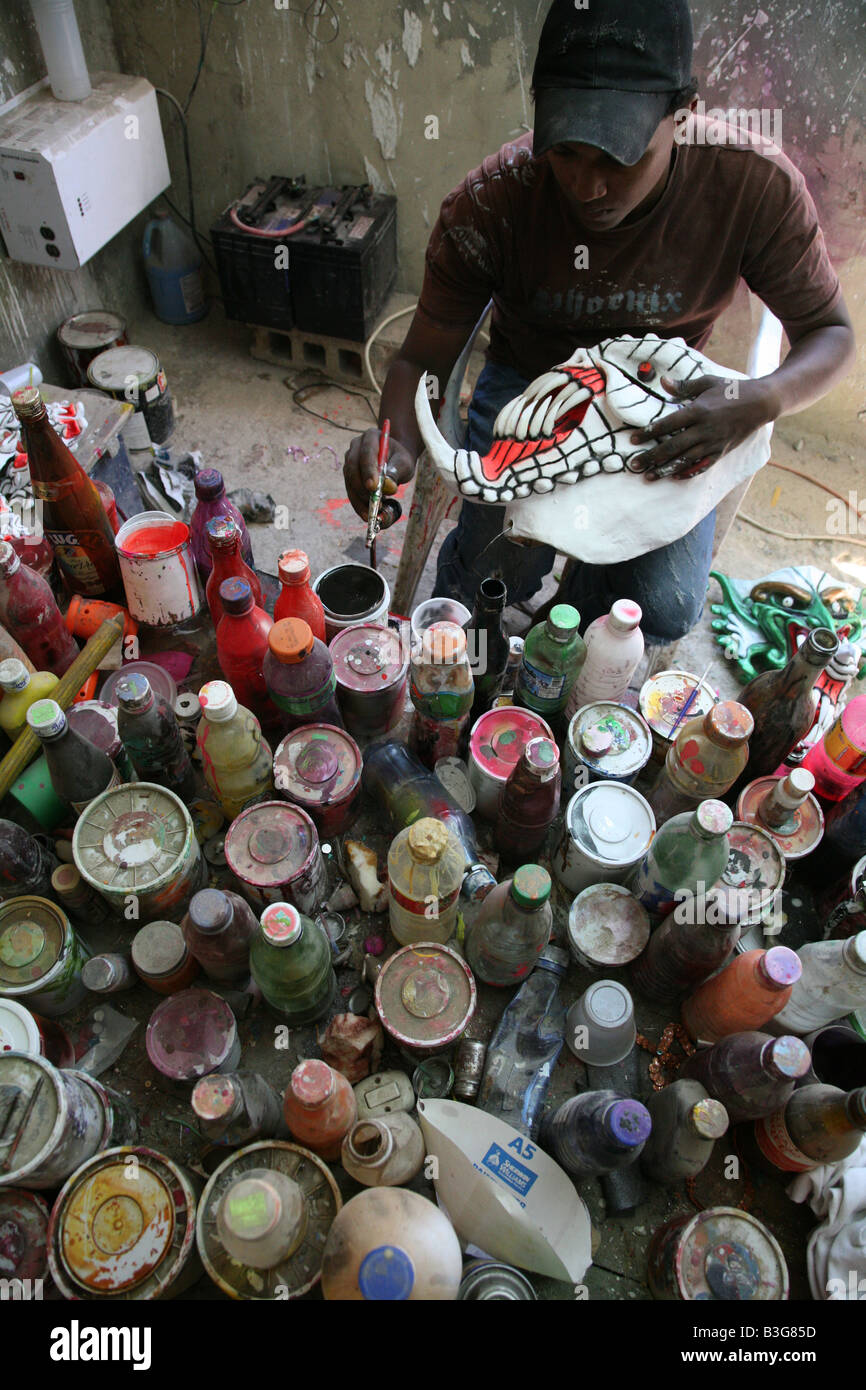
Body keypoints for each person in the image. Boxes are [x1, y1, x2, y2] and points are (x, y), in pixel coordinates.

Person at [343, 0, 855, 646]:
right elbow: (421, 360)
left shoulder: (750, 187)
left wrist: (757, 399)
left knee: (659, 606)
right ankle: (491, 636)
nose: (587, 186)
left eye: (618, 160)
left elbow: (831, 333)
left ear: (682, 113)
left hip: (664, 406)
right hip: (530, 388)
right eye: (567, 153)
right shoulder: (495, 202)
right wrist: (398, 449)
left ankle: (571, 627)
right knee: (489, 578)